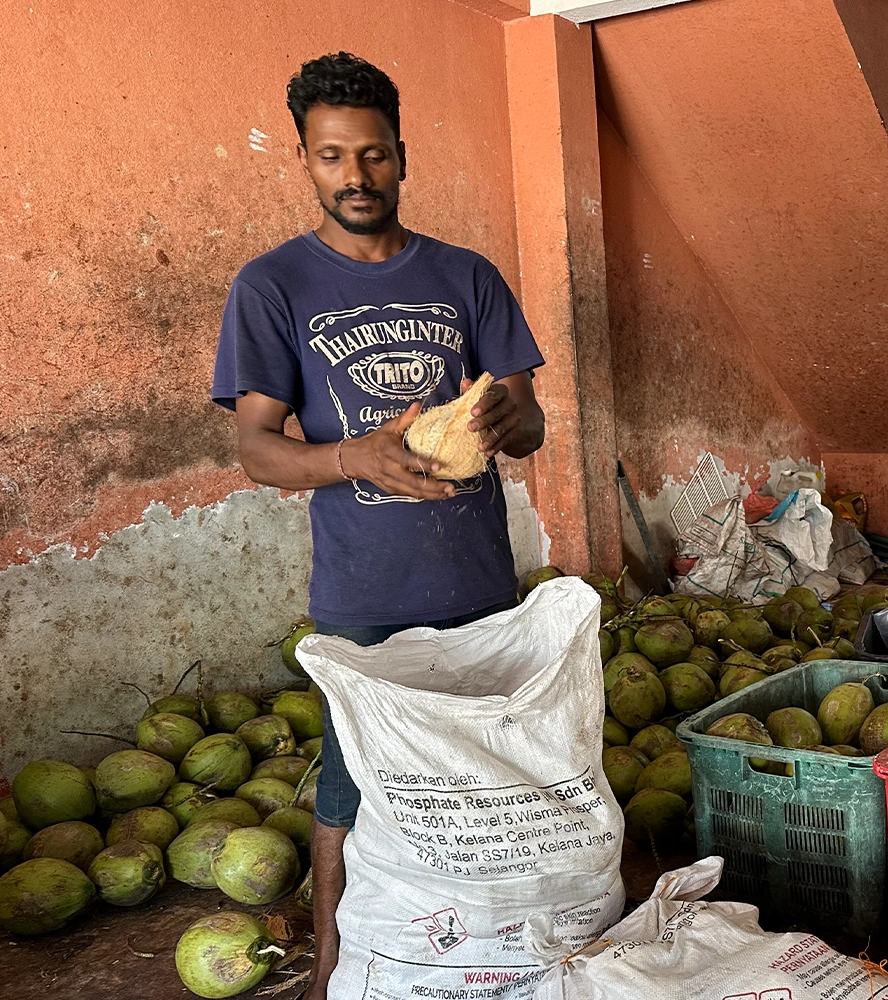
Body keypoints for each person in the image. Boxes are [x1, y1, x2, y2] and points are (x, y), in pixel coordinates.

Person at [209, 52, 546, 998]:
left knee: (488, 780)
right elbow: (257, 449)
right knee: (350, 784)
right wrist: (353, 456)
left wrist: (512, 419)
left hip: (480, 586)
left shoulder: (466, 276)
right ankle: (332, 966)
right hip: (363, 594)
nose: (355, 176)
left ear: (401, 154)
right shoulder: (272, 286)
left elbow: (528, 422)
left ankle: (484, 951)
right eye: (332, 157)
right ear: (305, 161)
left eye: (373, 154)